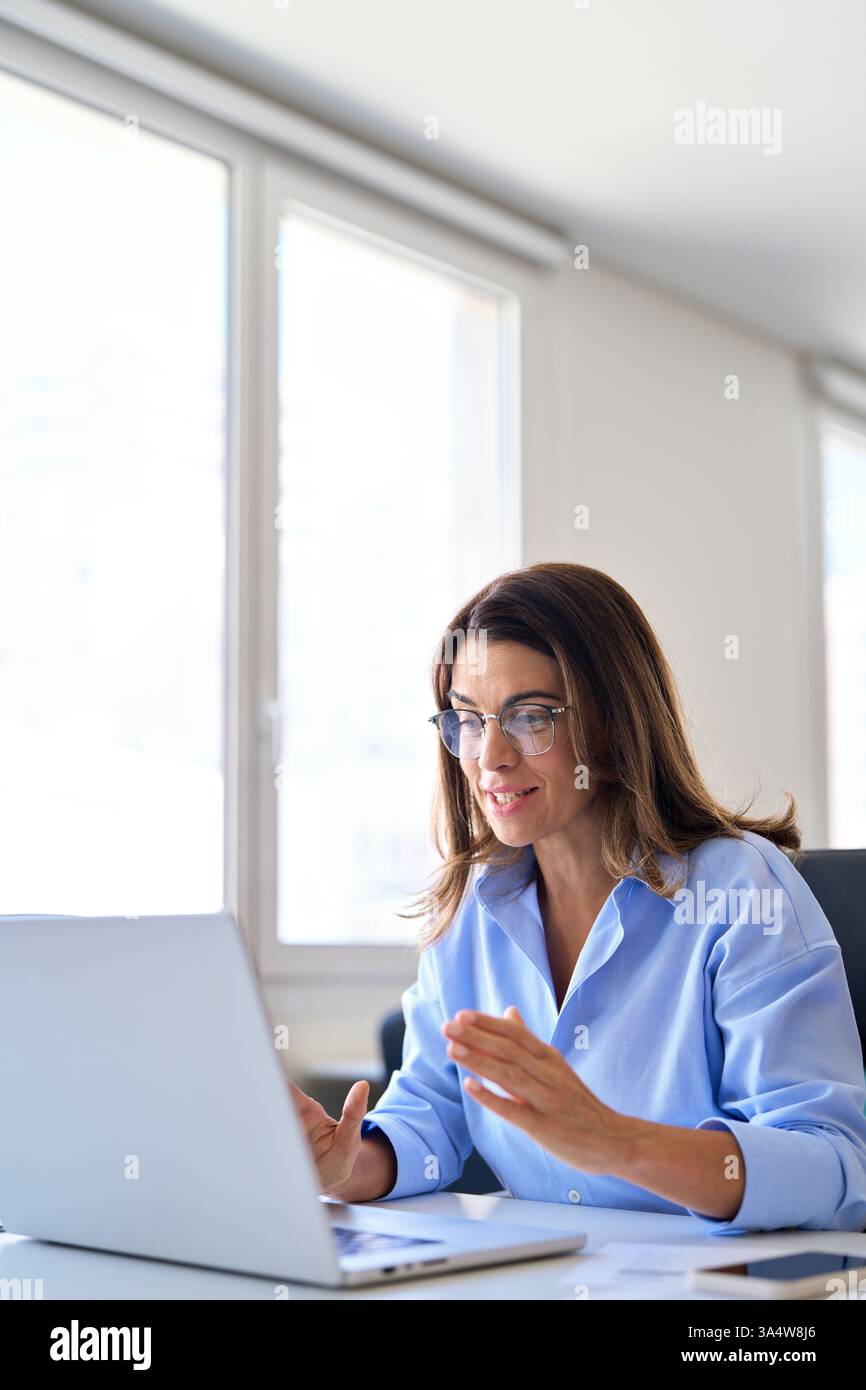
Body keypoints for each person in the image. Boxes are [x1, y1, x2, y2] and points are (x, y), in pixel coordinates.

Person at [290, 562, 866, 1233]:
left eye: (531, 716)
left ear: (615, 724)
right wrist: (343, 1163)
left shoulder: (740, 891)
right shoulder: (472, 908)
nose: (490, 756)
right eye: (468, 720)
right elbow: (430, 1116)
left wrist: (617, 1141)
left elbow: (834, 1164)